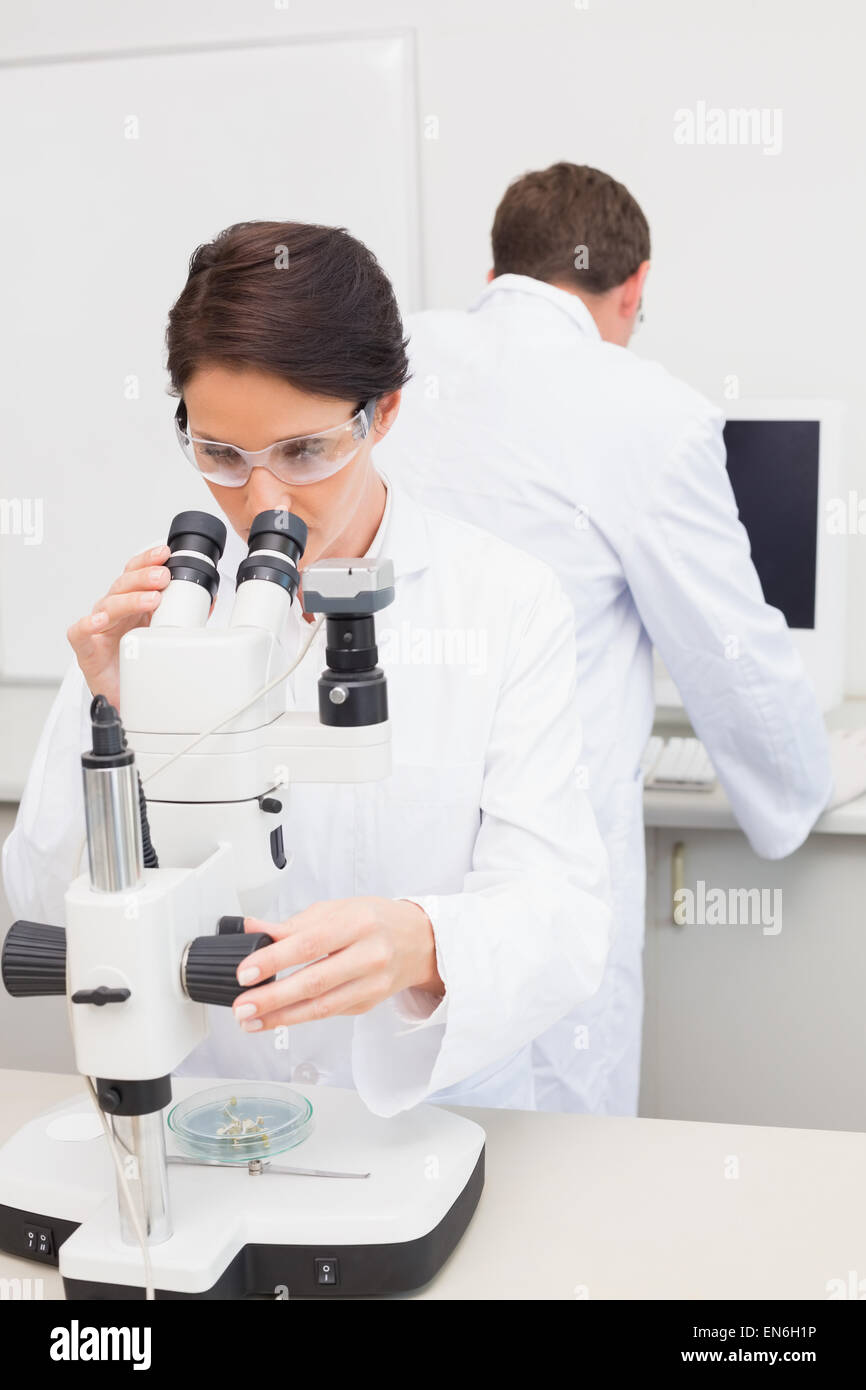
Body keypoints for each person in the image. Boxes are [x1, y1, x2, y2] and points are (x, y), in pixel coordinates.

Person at [1, 219, 611, 1119]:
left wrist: (424, 941)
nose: (263, 502)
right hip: (206, 1117)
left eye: (304, 451)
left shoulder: (504, 602)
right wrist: (111, 720)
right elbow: (45, 911)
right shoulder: (161, 612)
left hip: (429, 1116)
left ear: (385, 413)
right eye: (220, 456)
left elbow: (561, 912)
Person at [375, 161, 846, 1118]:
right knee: (557, 1178)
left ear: (504, 265)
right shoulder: (642, 408)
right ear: (632, 288)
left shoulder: (392, 363)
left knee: (385, 1153)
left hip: (380, 861)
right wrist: (803, 789)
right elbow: (732, 653)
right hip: (542, 858)